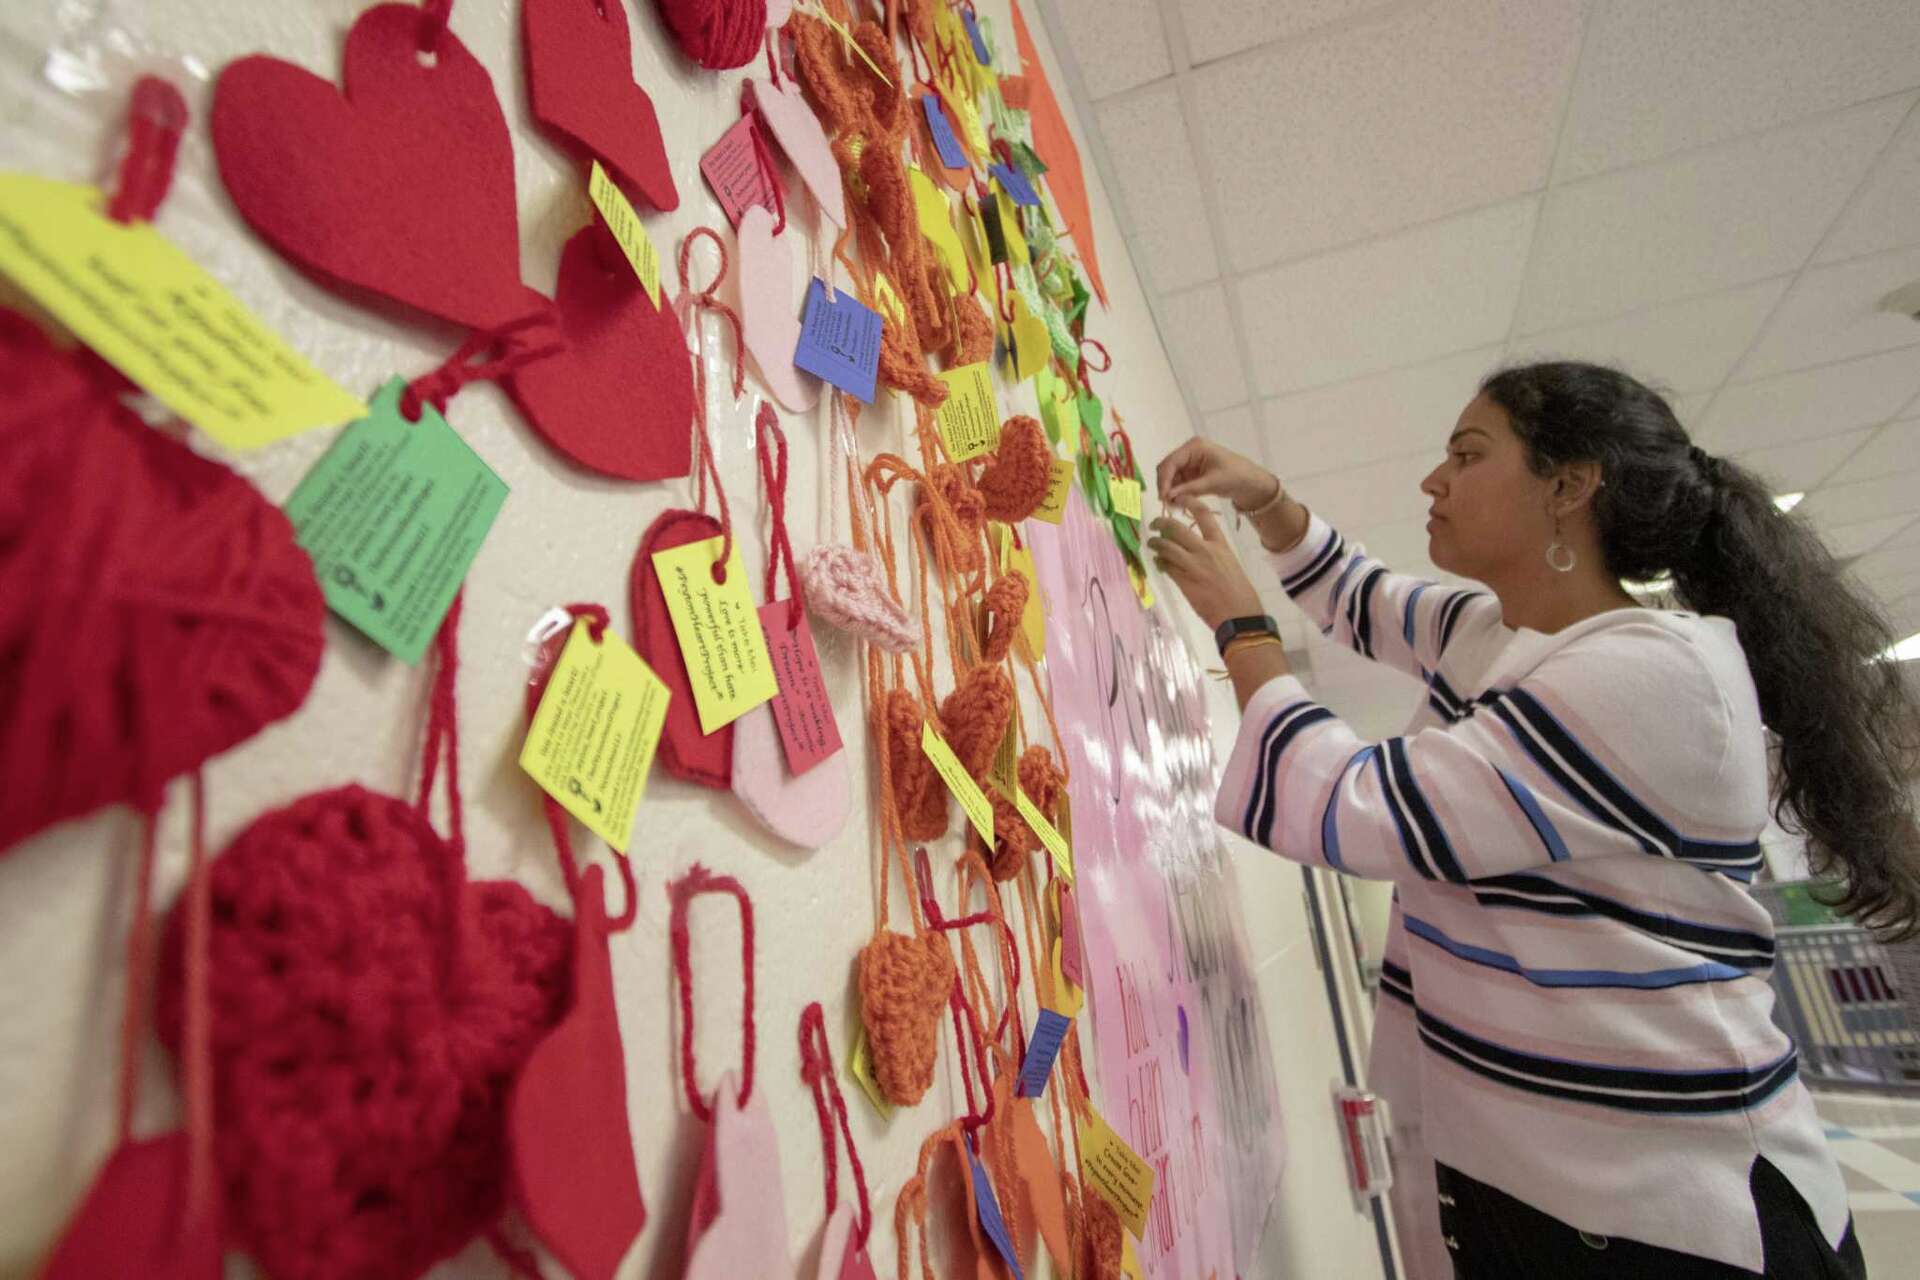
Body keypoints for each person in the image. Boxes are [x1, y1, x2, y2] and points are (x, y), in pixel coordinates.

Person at [1148, 362, 1920, 1278]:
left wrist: (1243, 631)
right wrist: (1265, 498)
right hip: (1544, 1183)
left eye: (1467, 456)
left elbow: (1357, 808)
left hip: (1665, 1218)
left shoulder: (1650, 674)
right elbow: (1359, 594)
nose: (1433, 480)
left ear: (1569, 486)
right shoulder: (1503, 634)